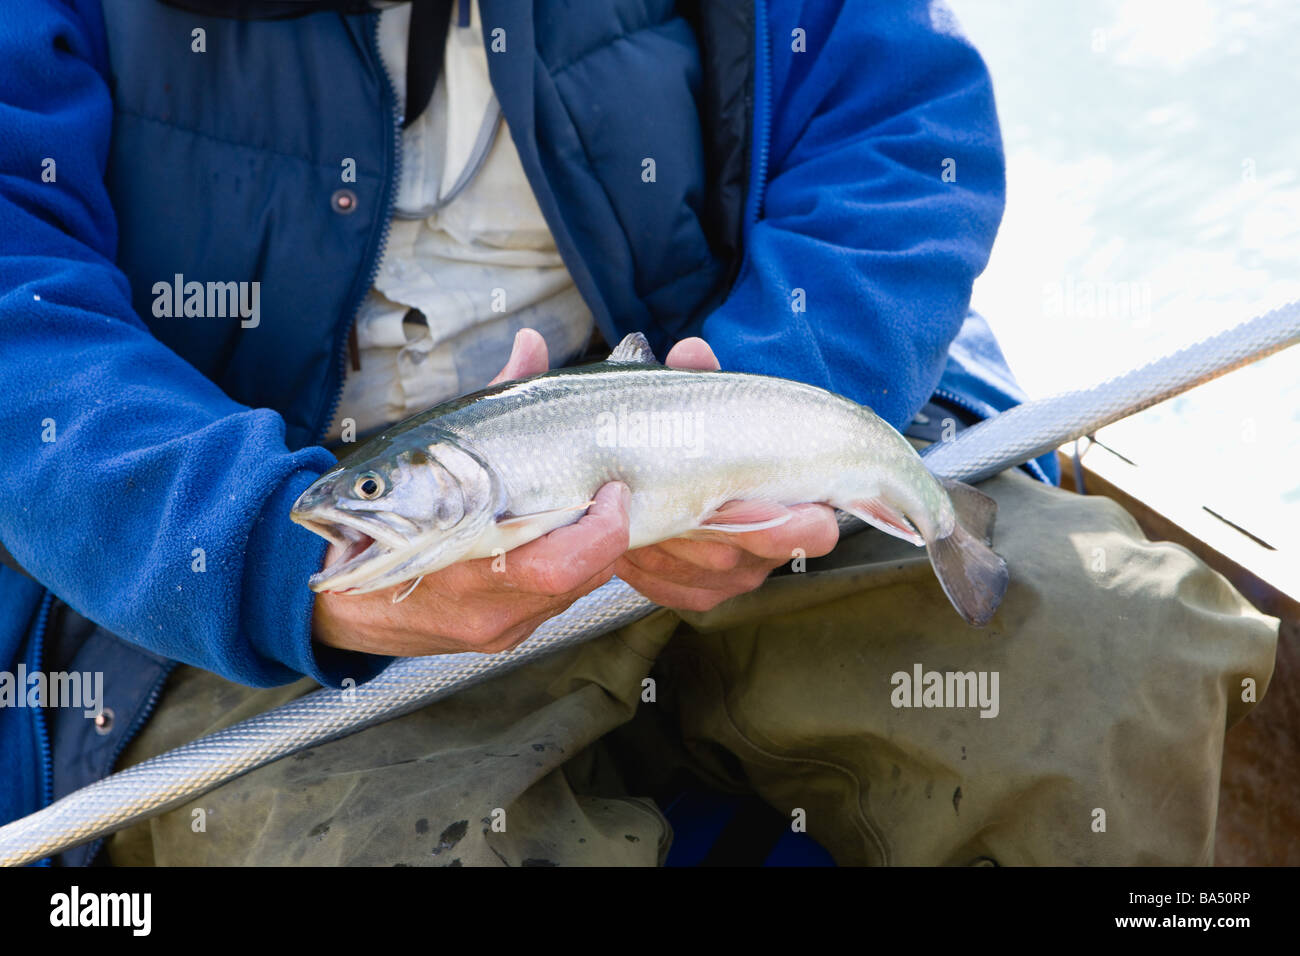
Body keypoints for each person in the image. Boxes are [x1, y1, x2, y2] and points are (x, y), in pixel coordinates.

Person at [0, 0, 1277, 866]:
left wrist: (754, 427)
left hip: (757, 456)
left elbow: (898, 136)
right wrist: (267, 559)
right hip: (251, 591)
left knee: (1111, 658)